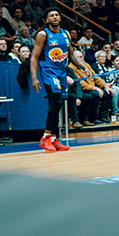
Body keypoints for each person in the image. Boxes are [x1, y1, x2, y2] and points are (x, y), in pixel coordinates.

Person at [30, 9, 89, 152]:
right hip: (49, 72)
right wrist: (34, 77)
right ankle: (45, 137)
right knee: (55, 101)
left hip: (62, 72)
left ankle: (53, 139)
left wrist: (82, 66)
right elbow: (34, 57)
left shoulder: (65, 33)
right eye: (51, 15)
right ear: (46, 20)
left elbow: (71, 55)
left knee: (58, 105)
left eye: (57, 15)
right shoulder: (43, 34)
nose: (55, 17)